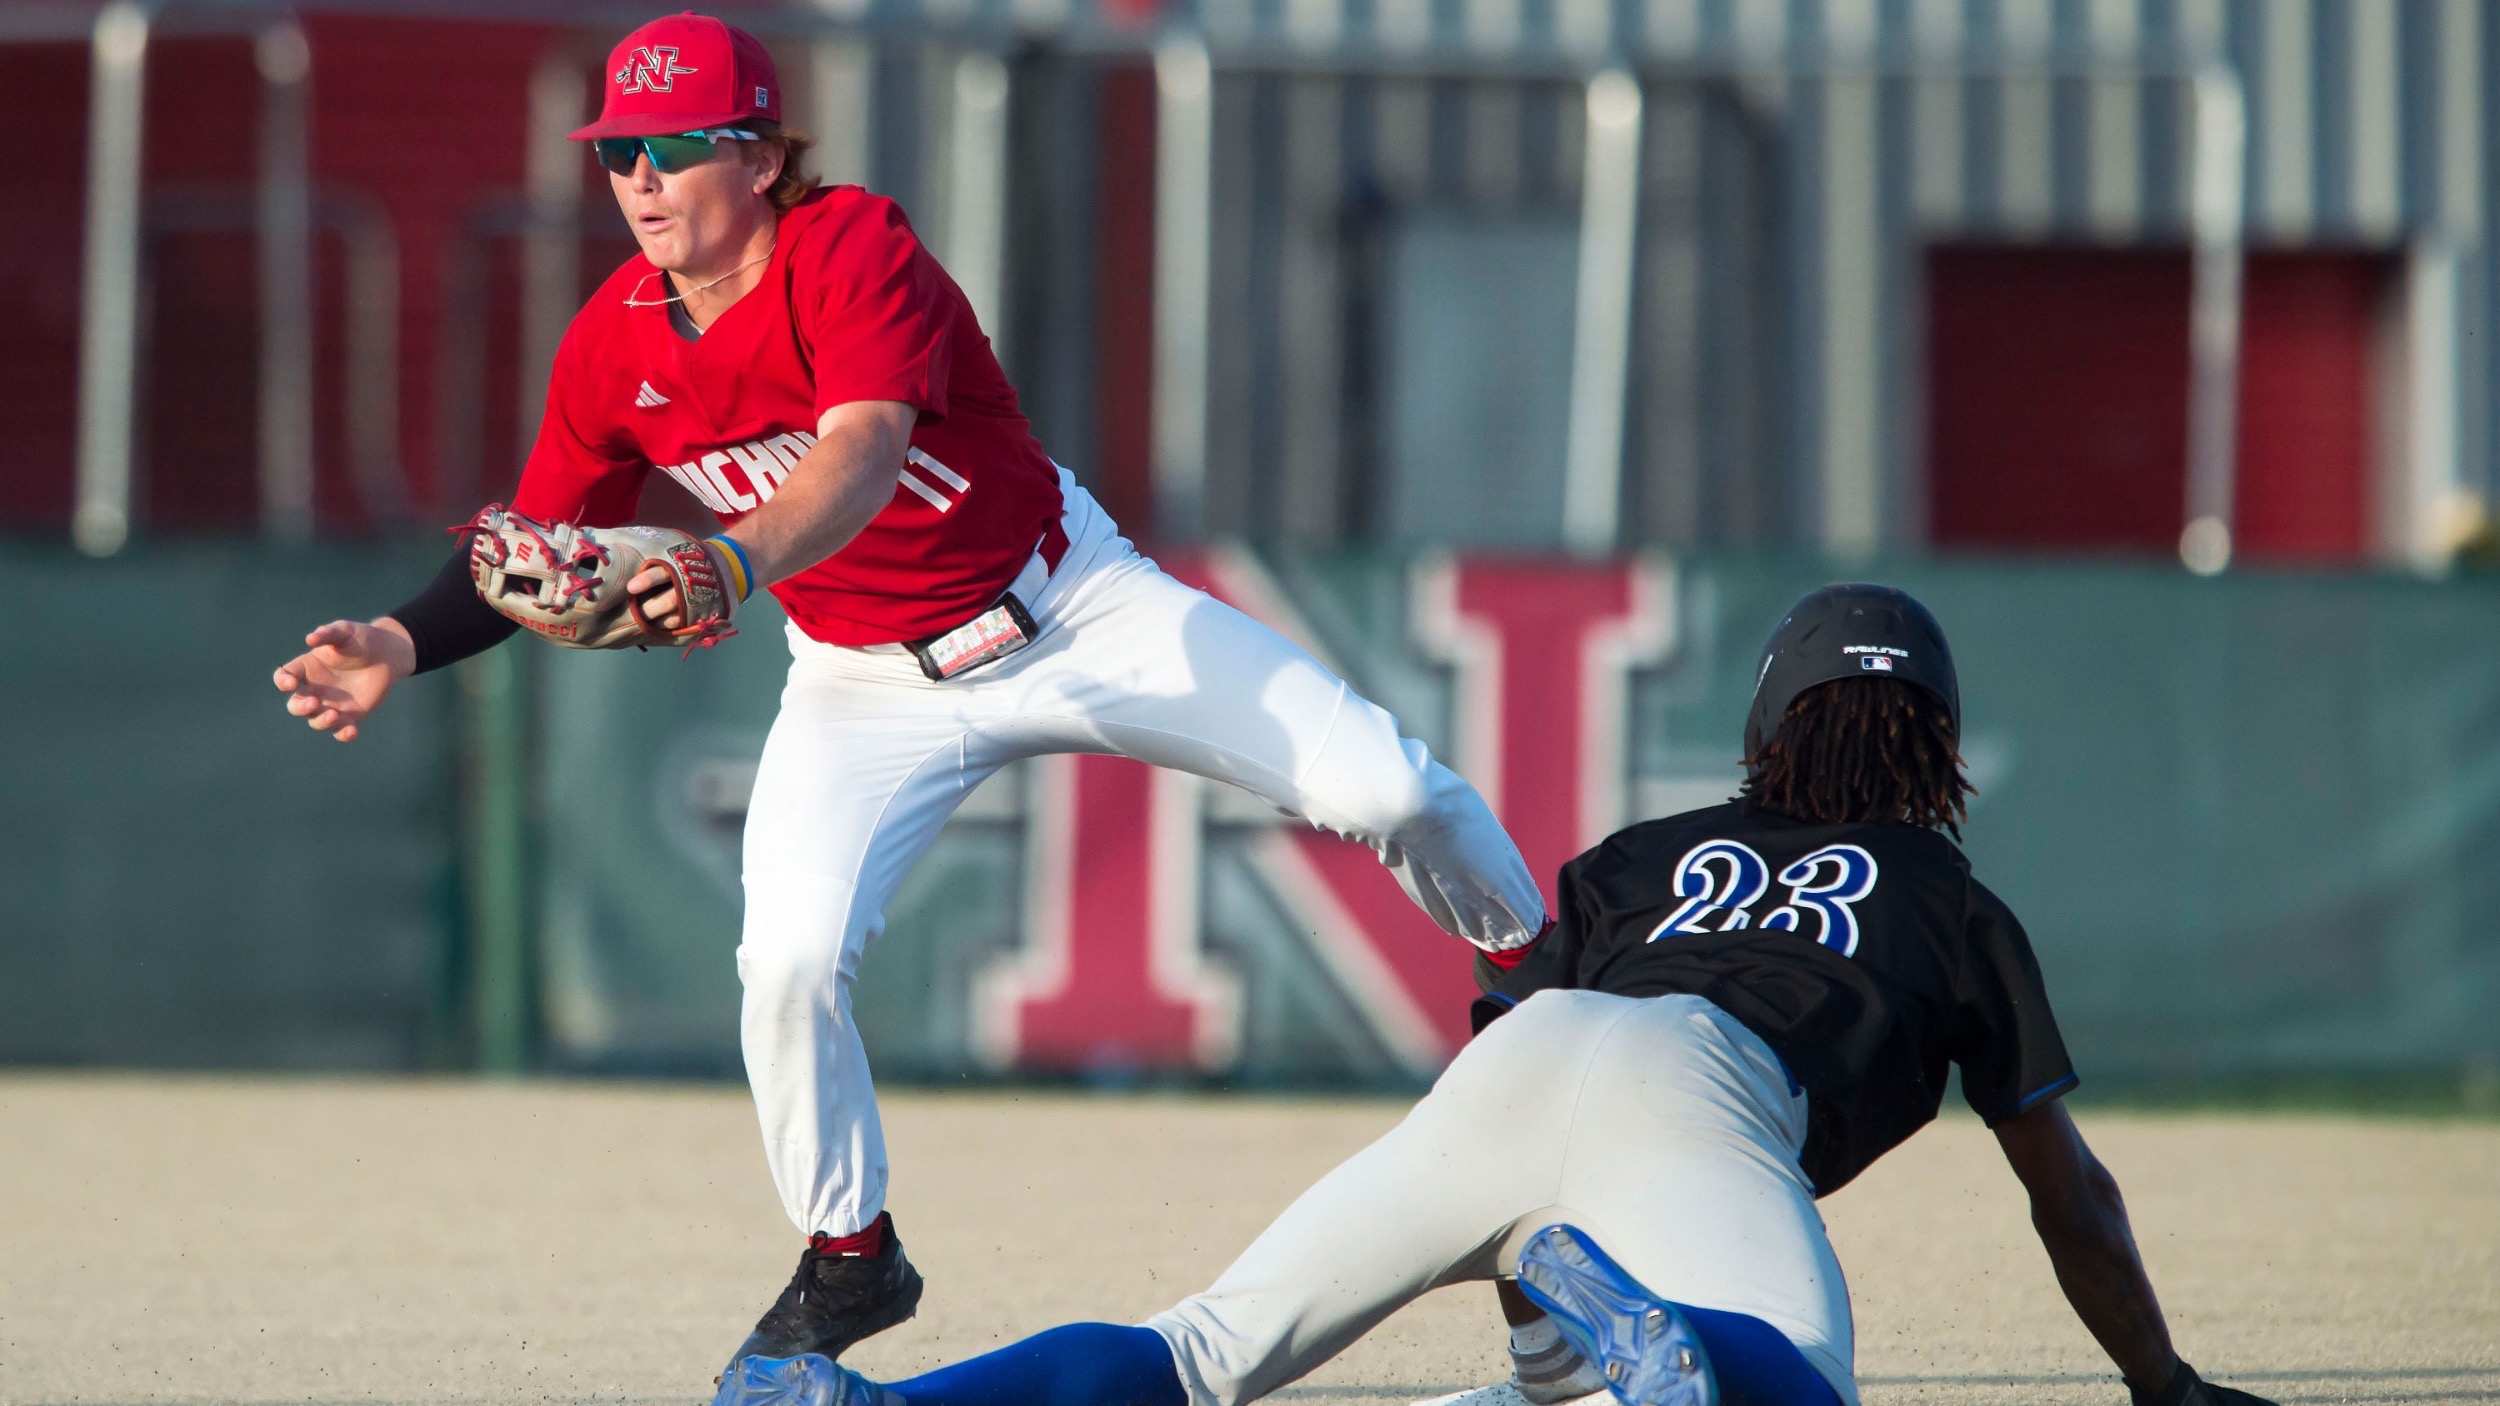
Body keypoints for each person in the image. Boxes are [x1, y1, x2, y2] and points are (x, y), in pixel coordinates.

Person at [267, 11, 1546, 1379]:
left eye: (674, 148)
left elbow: (862, 458)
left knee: (1394, 787)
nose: (639, 180)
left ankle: (1538, 985)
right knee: (789, 967)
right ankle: (851, 1252)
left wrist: (728, 559)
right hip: (862, 681)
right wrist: (399, 644)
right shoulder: (611, 346)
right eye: (618, 153)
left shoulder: (849, 249)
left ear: (760, 155)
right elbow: (525, 549)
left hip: (1073, 608)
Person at [723, 584, 2279, 1406]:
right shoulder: (1957, 907)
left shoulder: (1639, 852)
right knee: (1792, 1385)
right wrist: (2163, 1382)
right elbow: (2067, 1192)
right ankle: (1664, 1340)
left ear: (1768, 722)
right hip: (1711, 1092)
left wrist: (1546, 1352)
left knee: (1201, 1349)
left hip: (1537, 1050)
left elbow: (1527, 1128)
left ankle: (880, 1404)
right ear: (1935, 743)